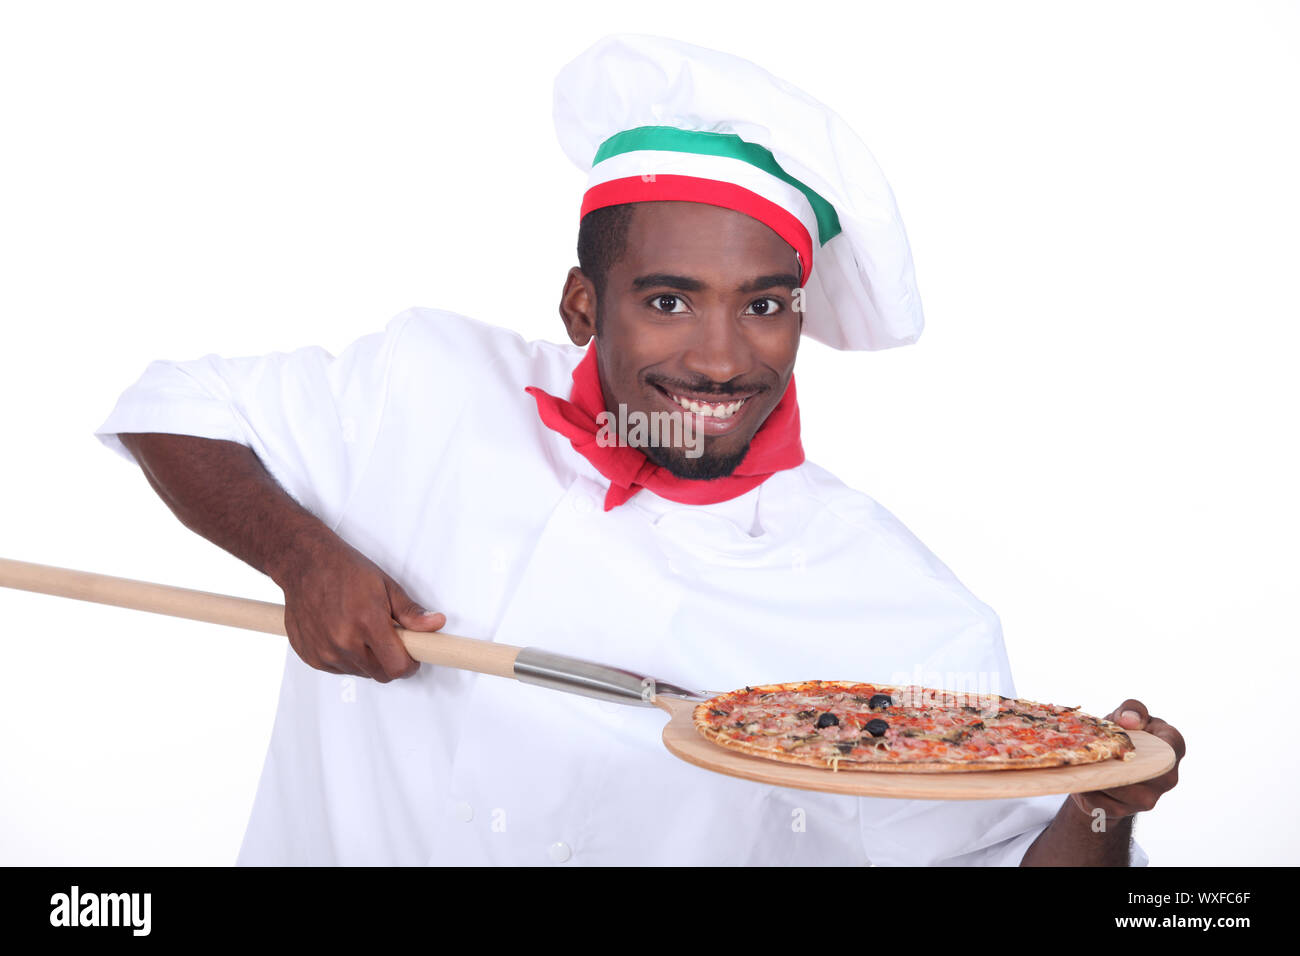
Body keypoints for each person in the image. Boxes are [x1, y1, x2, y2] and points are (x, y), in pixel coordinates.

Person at [94, 34, 1183, 865]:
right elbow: (172, 405)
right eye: (668, 299)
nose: (721, 357)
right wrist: (302, 557)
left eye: (763, 304)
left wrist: (1097, 798)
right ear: (581, 303)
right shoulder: (426, 384)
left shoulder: (901, 608)